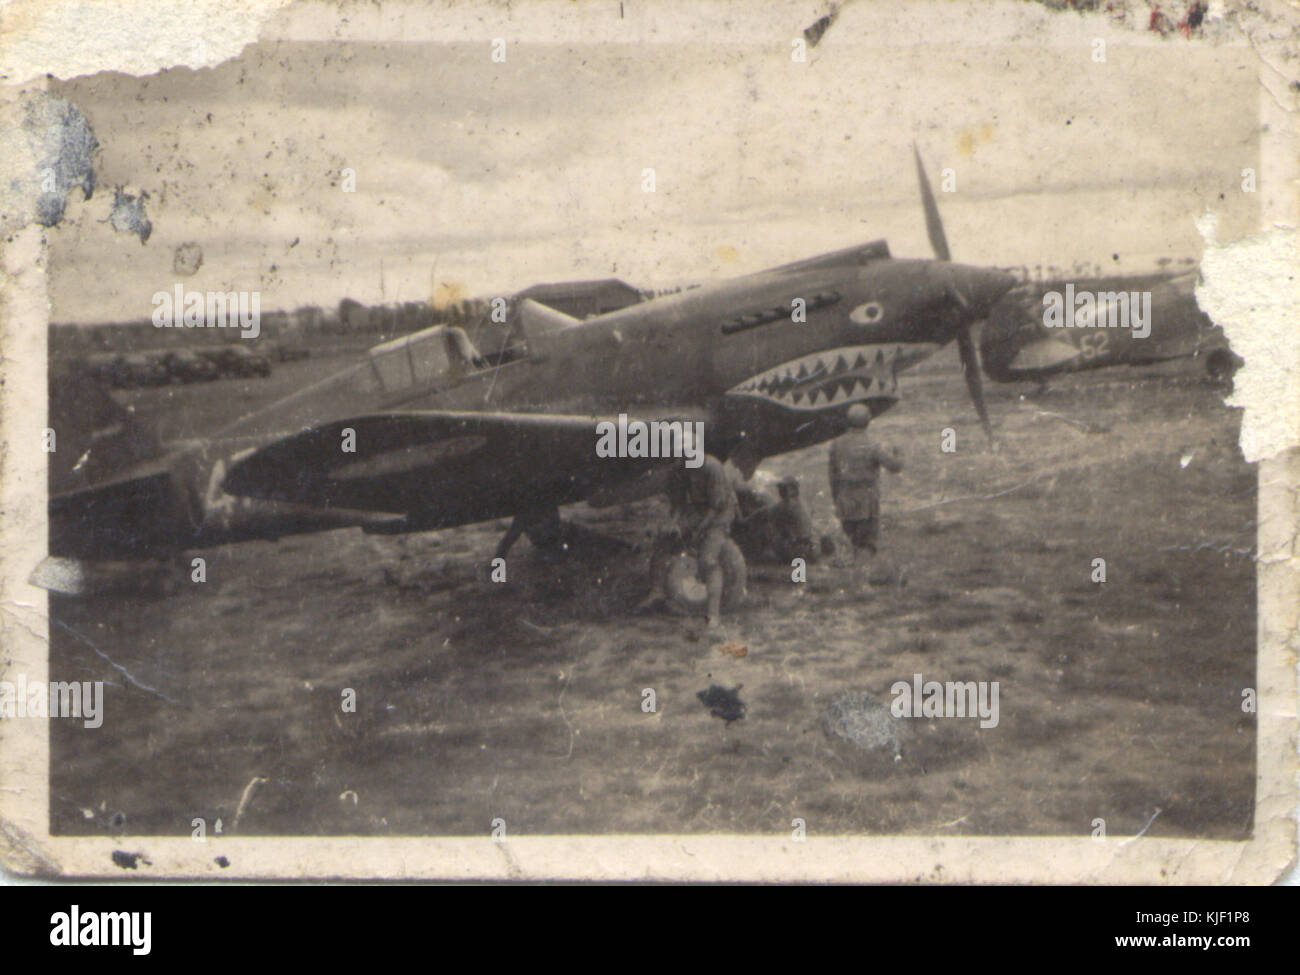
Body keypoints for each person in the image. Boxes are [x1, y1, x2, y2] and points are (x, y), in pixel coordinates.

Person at [642, 453, 747, 627]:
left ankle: (713, 613)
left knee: (708, 559)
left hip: (719, 514)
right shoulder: (678, 469)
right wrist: (675, 524)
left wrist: (698, 530)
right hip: (696, 511)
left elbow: (716, 506)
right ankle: (657, 591)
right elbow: (677, 503)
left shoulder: (712, 468)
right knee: (665, 541)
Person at [828, 404, 902, 580]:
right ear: (868, 421)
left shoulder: (836, 445)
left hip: (845, 500)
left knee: (851, 540)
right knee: (867, 543)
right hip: (866, 502)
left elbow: (833, 477)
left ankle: (853, 577)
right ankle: (861, 579)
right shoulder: (872, 445)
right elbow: (895, 466)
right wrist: (899, 453)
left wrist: (836, 500)